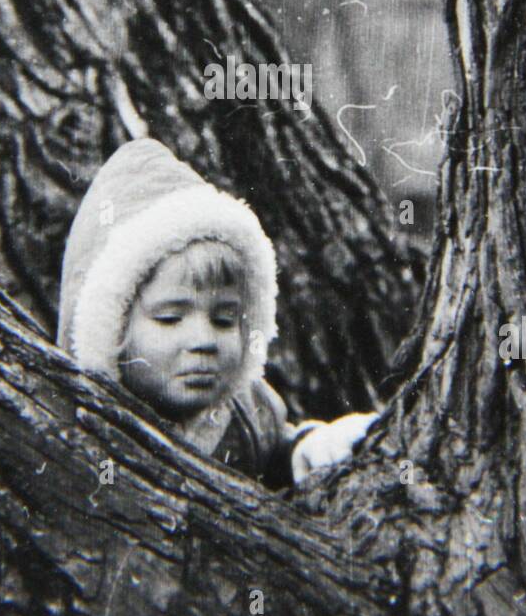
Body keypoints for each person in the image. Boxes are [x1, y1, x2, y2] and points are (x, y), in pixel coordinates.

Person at [57, 138, 377, 486]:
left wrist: (307, 450)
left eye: (224, 319)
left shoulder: (246, 411)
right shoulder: (85, 429)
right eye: (170, 318)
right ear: (112, 329)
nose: (204, 341)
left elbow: (275, 456)